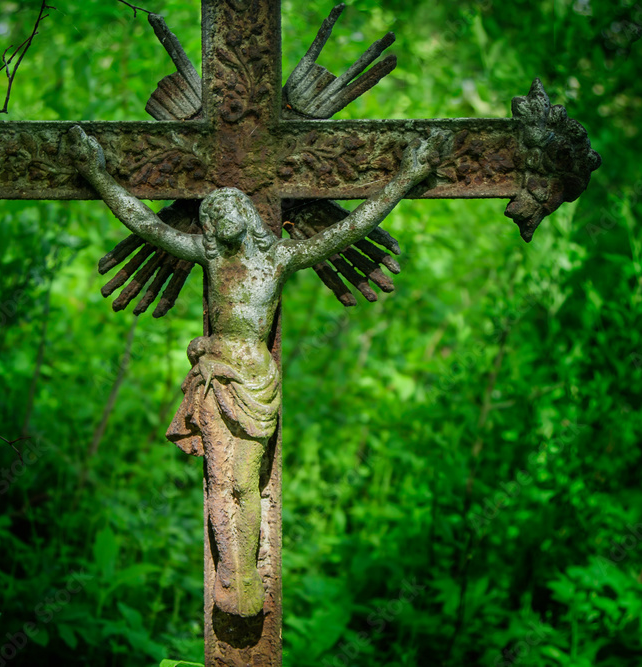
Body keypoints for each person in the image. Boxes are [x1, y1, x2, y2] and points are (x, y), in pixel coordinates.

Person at [70, 124, 441, 616]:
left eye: (229, 208)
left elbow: (350, 229)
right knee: (222, 481)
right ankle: (235, 578)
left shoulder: (280, 257)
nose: (221, 216)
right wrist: (97, 175)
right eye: (212, 211)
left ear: (246, 214)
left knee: (246, 483)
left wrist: (406, 177)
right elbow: (145, 224)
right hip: (217, 375)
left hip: (255, 381)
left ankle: (244, 570)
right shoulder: (207, 256)